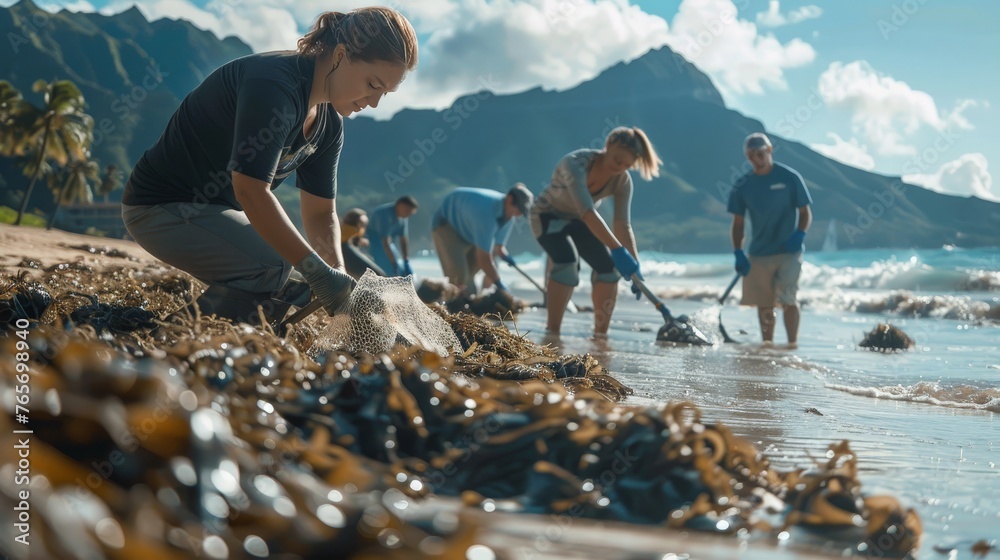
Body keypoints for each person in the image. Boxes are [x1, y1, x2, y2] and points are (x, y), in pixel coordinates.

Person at [120, 8, 418, 324]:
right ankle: (166, 335)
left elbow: (320, 213)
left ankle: (216, 336)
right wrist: (318, 271)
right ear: (341, 55)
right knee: (274, 266)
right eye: (373, 84)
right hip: (160, 207)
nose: (373, 102)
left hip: (216, 213)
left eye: (384, 93)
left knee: (294, 282)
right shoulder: (275, 85)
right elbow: (250, 190)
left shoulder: (328, 124)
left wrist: (336, 279)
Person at [531, 126, 663, 335]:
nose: (619, 168)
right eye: (617, 160)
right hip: (547, 216)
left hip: (578, 221)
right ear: (608, 145)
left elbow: (622, 225)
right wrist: (618, 250)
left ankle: (600, 335)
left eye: (626, 165)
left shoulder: (622, 181)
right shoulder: (574, 164)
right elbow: (588, 212)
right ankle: (552, 332)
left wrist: (634, 266)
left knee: (609, 271)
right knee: (567, 263)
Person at [728, 132, 813, 349]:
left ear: (769, 151)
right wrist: (738, 252)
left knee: (788, 299)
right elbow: (738, 224)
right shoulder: (743, 185)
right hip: (758, 253)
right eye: (750, 155)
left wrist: (800, 234)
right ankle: (767, 348)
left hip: (788, 251)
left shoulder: (790, 177)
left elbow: (805, 212)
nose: (756, 158)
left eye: (760, 153)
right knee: (764, 304)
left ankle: (792, 345)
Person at [431, 184, 533, 296]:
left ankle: (468, 296)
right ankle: (448, 303)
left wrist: (507, 258)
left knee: (468, 277)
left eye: (521, 212)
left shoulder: (510, 216)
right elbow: (484, 258)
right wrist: (499, 283)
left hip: (469, 230)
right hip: (447, 225)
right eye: (519, 209)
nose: (518, 215)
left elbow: (498, 249)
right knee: (458, 277)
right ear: (509, 199)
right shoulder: (487, 214)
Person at [364, 195, 418, 277]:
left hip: (389, 244)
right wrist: (393, 263)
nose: (408, 215)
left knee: (403, 271)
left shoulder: (403, 217)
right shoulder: (383, 213)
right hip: (374, 244)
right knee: (388, 270)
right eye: (407, 211)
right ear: (400, 205)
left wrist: (406, 260)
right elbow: (385, 241)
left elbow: (403, 240)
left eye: (410, 214)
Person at [340, 208, 386, 278]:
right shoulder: (354, 232)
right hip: (344, 253)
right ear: (359, 224)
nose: (364, 229)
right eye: (364, 225)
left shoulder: (341, 228)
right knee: (379, 275)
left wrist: (359, 240)